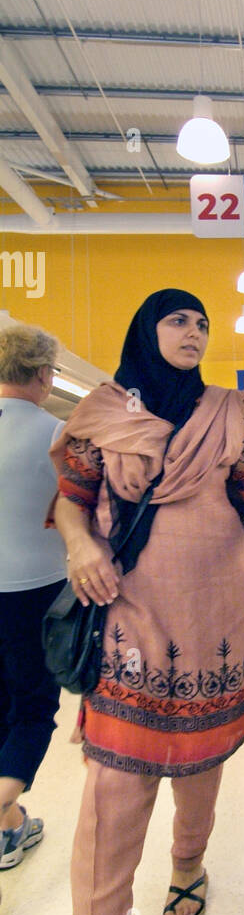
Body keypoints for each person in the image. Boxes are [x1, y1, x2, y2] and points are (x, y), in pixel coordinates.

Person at [50, 289, 244, 915]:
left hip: (217, 622)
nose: (194, 331)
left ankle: (188, 866)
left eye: (202, 321)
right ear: (145, 329)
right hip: (129, 615)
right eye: (178, 319)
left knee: (204, 761)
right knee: (117, 785)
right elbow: (69, 498)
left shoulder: (230, 411)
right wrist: (82, 543)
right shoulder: (101, 412)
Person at [0, 325, 68, 877]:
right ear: (45, 375)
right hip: (35, 590)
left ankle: (10, 827)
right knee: (32, 708)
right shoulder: (58, 434)